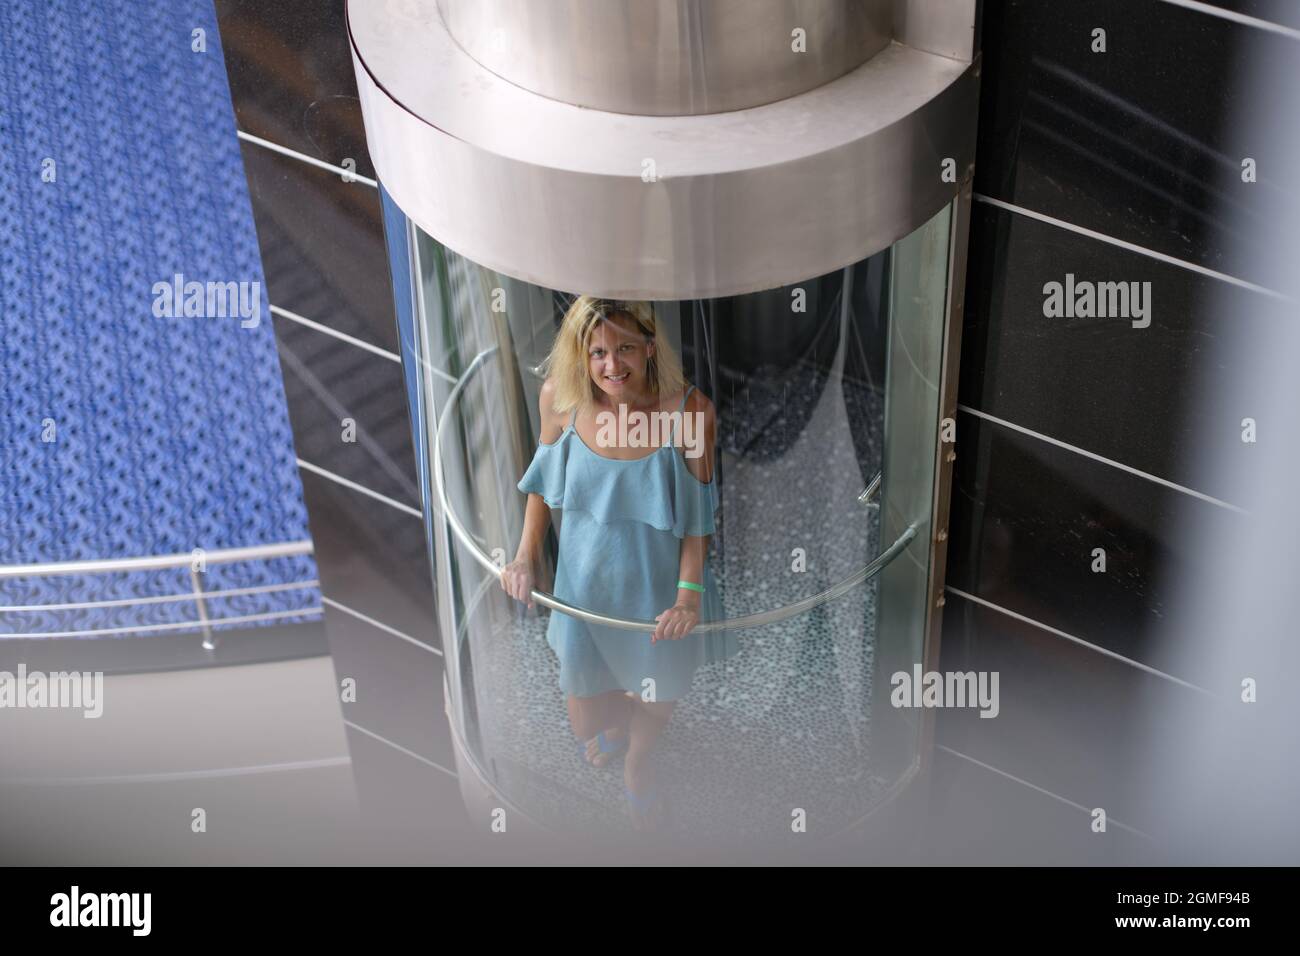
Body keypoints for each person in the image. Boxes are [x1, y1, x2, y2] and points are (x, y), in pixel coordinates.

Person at [499, 295, 736, 830]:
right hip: (584, 592)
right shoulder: (559, 399)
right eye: (597, 351)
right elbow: (541, 488)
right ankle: (620, 718)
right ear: (581, 356)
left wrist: (687, 597)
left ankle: (639, 760)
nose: (611, 366)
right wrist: (522, 557)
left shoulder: (689, 413)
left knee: (657, 692)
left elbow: (699, 521)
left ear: (650, 347)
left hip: (659, 592)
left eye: (625, 348)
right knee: (584, 722)